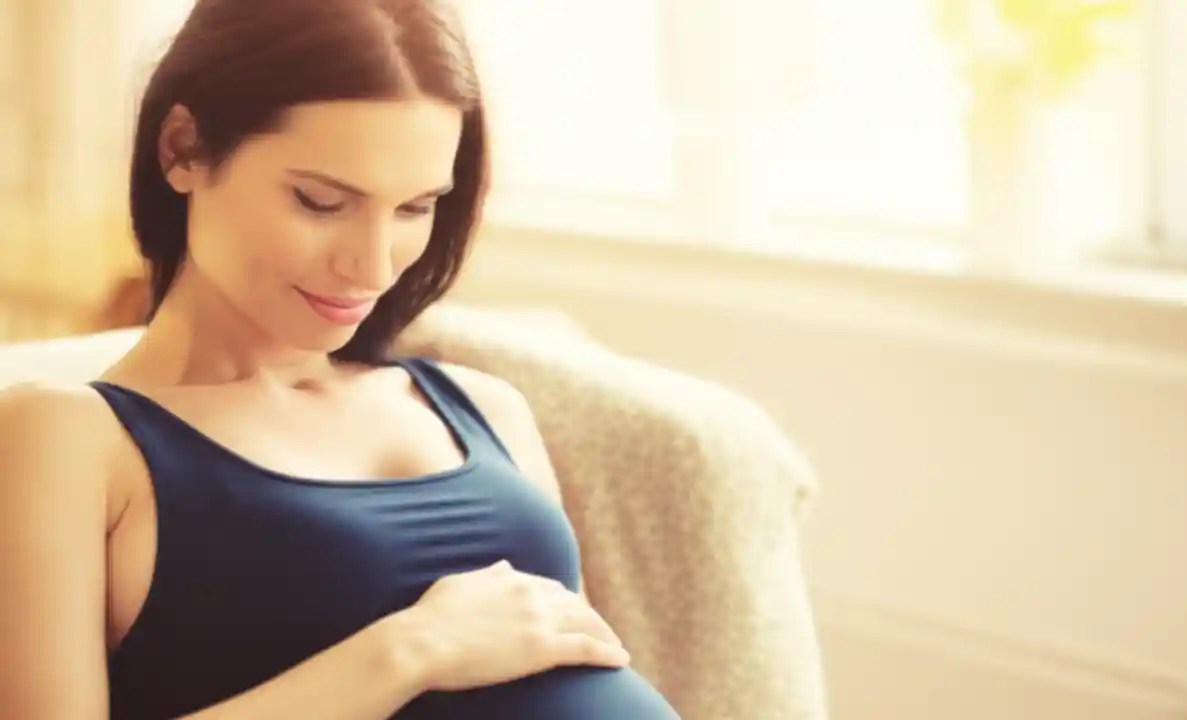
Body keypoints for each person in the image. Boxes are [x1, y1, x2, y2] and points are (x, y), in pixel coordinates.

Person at [0, 1, 681, 717]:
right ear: (183, 149)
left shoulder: (487, 407)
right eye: (322, 201)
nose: (373, 263)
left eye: (415, 208)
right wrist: (412, 650)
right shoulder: (63, 438)